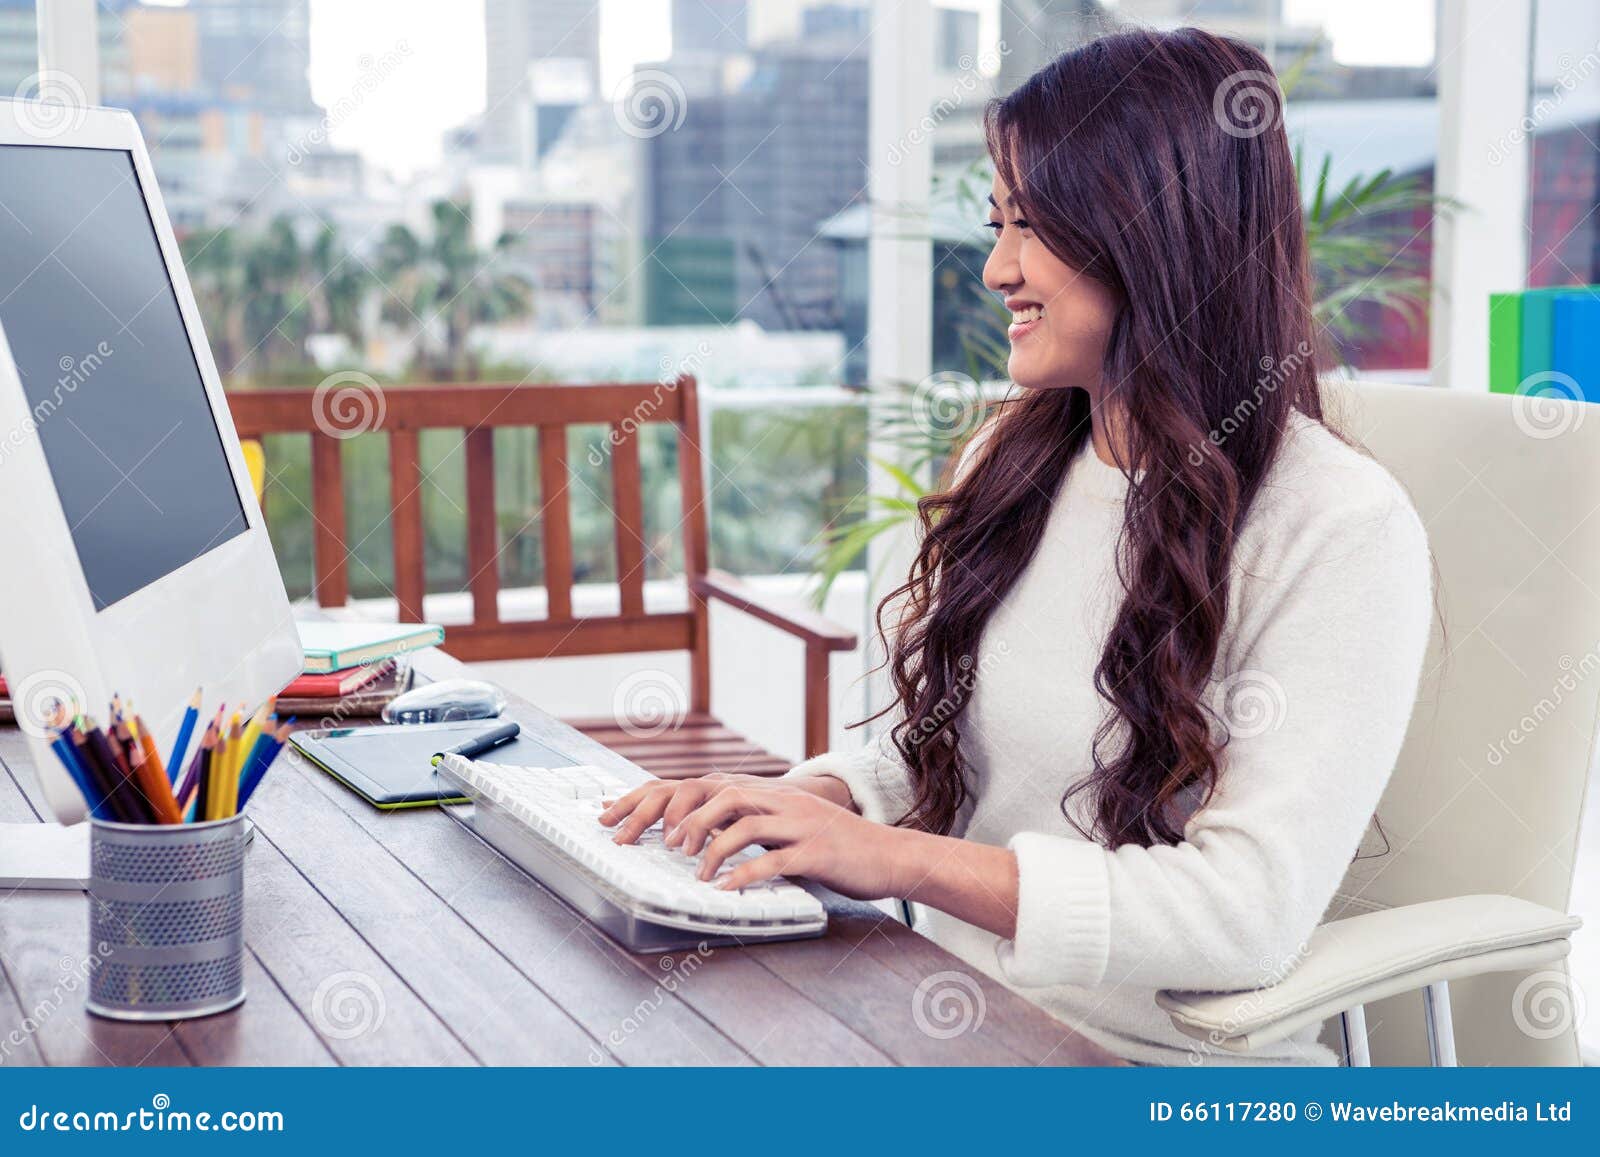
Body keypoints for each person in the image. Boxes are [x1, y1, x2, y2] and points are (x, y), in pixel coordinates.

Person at [600, 25, 1433, 1066]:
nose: (997, 268)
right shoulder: (1017, 457)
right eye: (999, 224)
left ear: (1151, 230)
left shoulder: (1339, 526)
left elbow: (1246, 914)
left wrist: (897, 860)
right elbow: (953, 758)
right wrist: (797, 805)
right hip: (940, 1017)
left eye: (1031, 225)